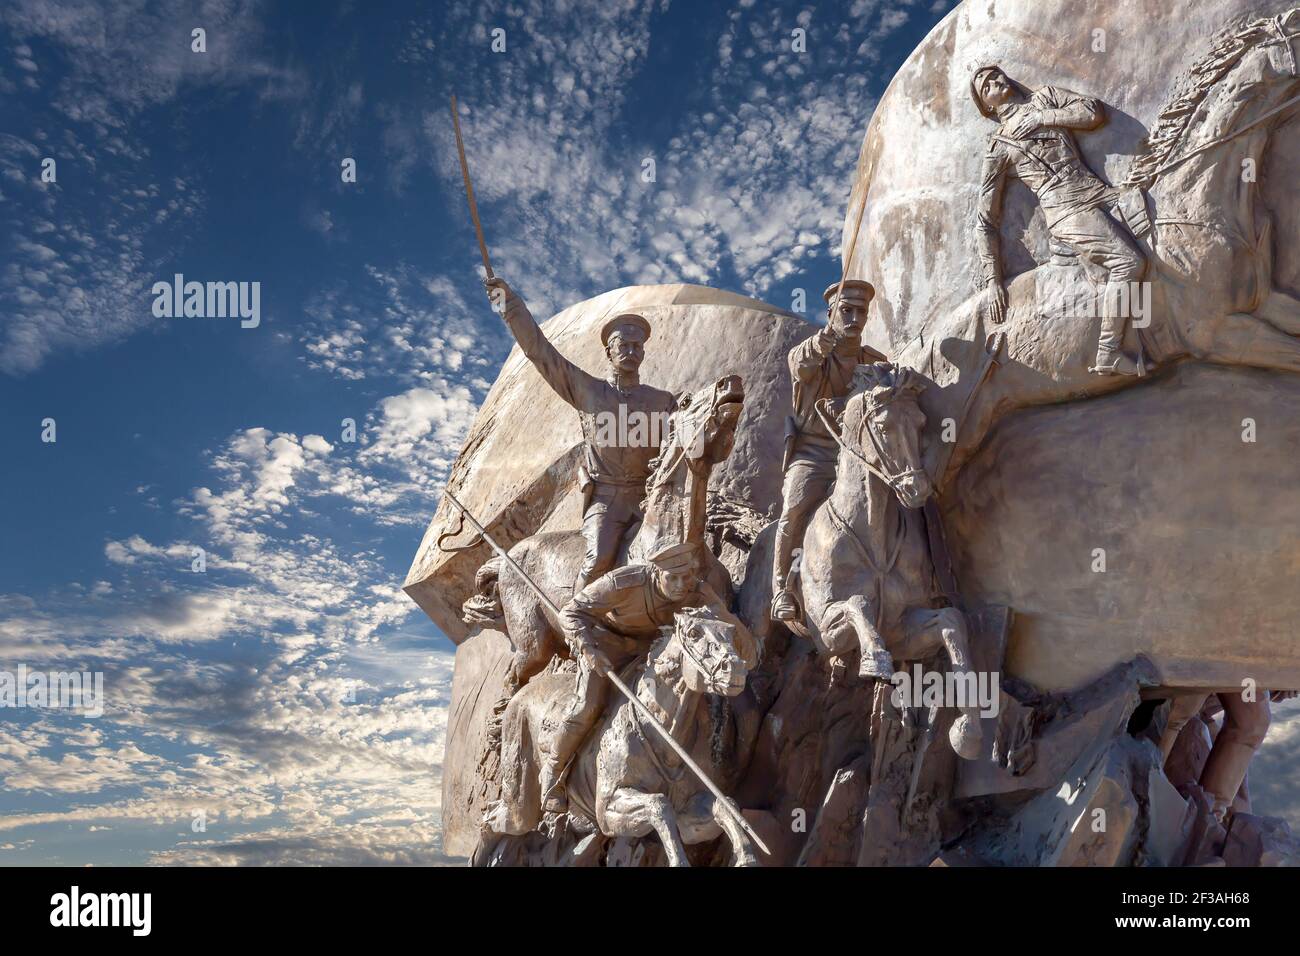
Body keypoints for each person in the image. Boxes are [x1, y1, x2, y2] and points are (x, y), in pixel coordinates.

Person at [486, 276, 676, 591]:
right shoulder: (588, 391)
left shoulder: (661, 400)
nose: (630, 350)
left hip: (649, 499)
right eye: (622, 345)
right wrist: (508, 305)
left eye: (636, 345)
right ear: (608, 352)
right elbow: (539, 351)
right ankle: (578, 620)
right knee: (598, 559)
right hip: (606, 500)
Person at [538, 539, 755, 811]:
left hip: (654, 654)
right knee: (587, 706)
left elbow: (740, 643)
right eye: (672, 578)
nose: (680, 585)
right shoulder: (626, 582)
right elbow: (570, 613)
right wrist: (589, 649)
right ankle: (552, 773)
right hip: (606, 648)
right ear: (656, 572)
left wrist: (729, 622)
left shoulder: (699, 593)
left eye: (686, 577)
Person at [971, 65, 1148, 376]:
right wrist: (993, 280)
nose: (996, 81)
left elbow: (1092, 112)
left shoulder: (1045, 98)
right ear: (986, 105)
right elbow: (985, 220)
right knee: (1128, 262)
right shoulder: (999, 147)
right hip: (1066, 212)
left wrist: (1043, 117)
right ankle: (1108, 351)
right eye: (986, 85)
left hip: (1098, 191)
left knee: (1156, 221)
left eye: (996, 74)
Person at [770, 279, 887, 622]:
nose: (854, 317)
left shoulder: (875, 361)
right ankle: (781, 589)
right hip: (815, 452)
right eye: (845, 311)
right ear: (831, 314)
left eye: (860, 311)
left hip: (860, 456)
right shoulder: (811, 354)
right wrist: (822, 342)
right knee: (794, 506)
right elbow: (801, 363)